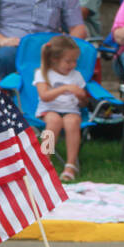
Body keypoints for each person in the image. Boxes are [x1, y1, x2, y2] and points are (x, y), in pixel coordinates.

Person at [34, 35, 88, 182]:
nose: (73, 64)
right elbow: (44, 96)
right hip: (49, 109)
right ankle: (44, 161)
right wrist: (65, 88)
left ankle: (70, 165)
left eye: (75, 60)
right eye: (68, 61)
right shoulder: (43, 73)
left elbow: (83, 104)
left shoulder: (77, 75)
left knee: (72, 122)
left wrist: (82, 96)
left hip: (71, 110)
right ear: (54, 59)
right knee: (54, 122)